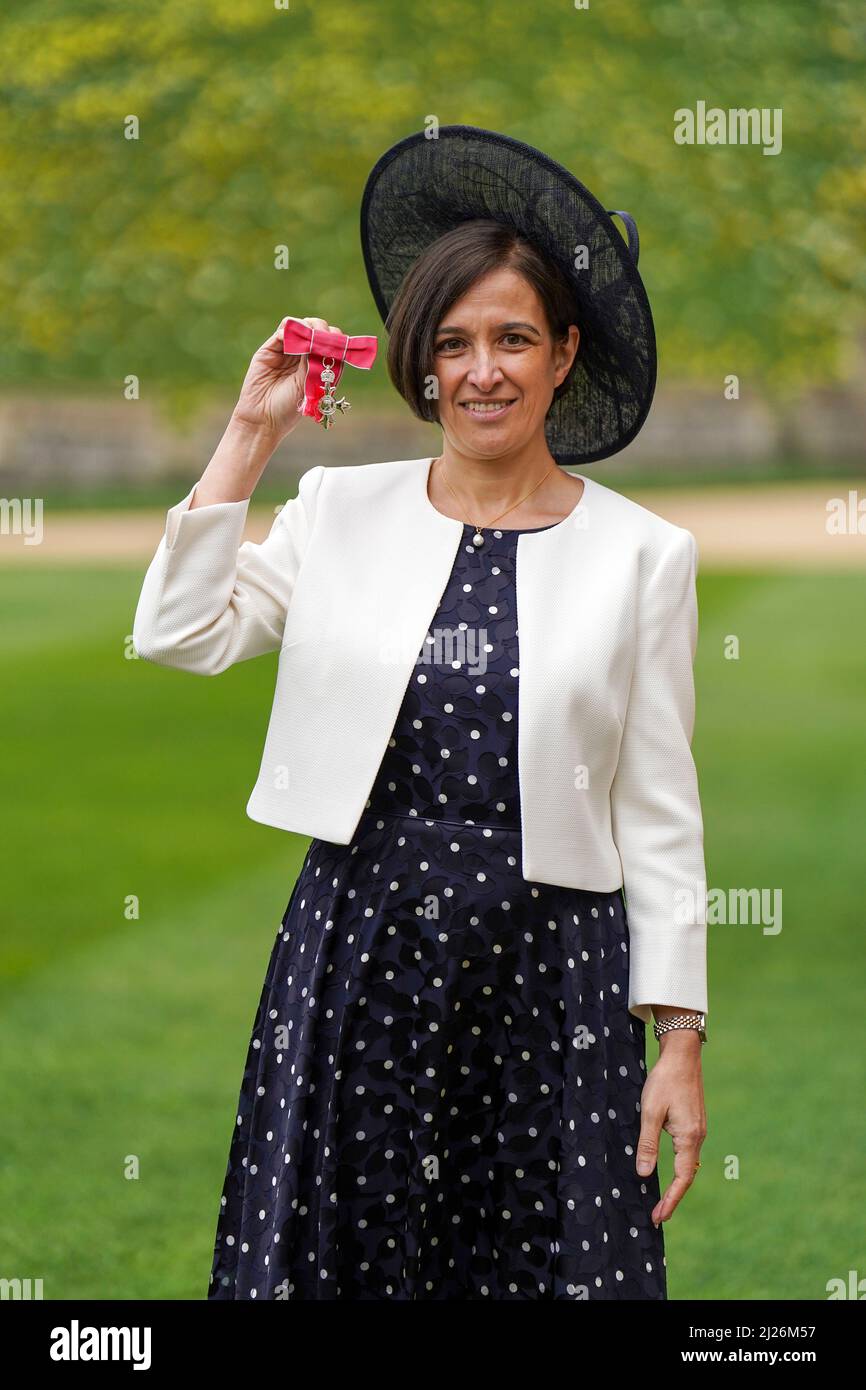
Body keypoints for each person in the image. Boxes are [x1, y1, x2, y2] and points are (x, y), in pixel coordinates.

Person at [133, 131, 708, 1301]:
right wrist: (250, 436)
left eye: (510, 339)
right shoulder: (337, 507)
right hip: (358, 948)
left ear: (562, 354)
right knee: (340, 1256)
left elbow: (656, 810)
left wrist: (678, 1038)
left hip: (556, 970)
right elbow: (179, 632)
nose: (480, 369)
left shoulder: (646, 555)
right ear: (420, 363)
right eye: (451, 343)